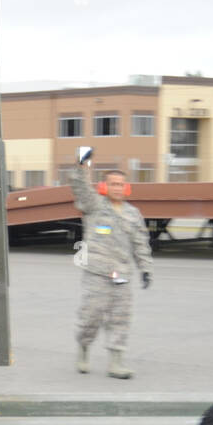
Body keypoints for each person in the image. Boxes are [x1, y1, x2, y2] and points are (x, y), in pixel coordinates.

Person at [70, 153, 152, 378]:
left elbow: (140, 243)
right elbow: (80, 187)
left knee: (121, 318)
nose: (118, 187)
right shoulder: (95, 205)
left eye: (121, 184)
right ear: (105, 186)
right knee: (90, 317)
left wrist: (146, 268)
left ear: (126, 188)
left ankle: (116, 362)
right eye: (113, 184)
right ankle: (83, 350)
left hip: (122, 274)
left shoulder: (133, 214)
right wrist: (81, 165)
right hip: (97, 273)